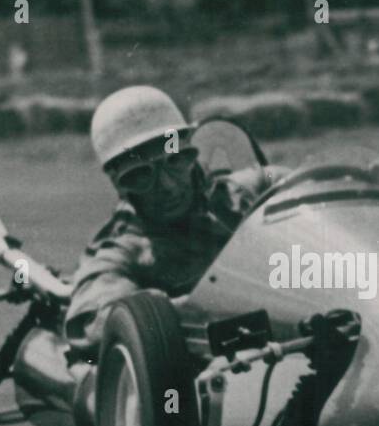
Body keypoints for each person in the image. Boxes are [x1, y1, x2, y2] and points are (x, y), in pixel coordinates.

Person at [63, 86, 284, 354]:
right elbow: (96, 316)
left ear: (192, 152)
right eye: (142, 175)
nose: (167, 185)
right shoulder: (124, 250)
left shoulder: (243, 193)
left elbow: (315, 184)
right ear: (119, 184)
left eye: (176, 160)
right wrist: (164, 313)